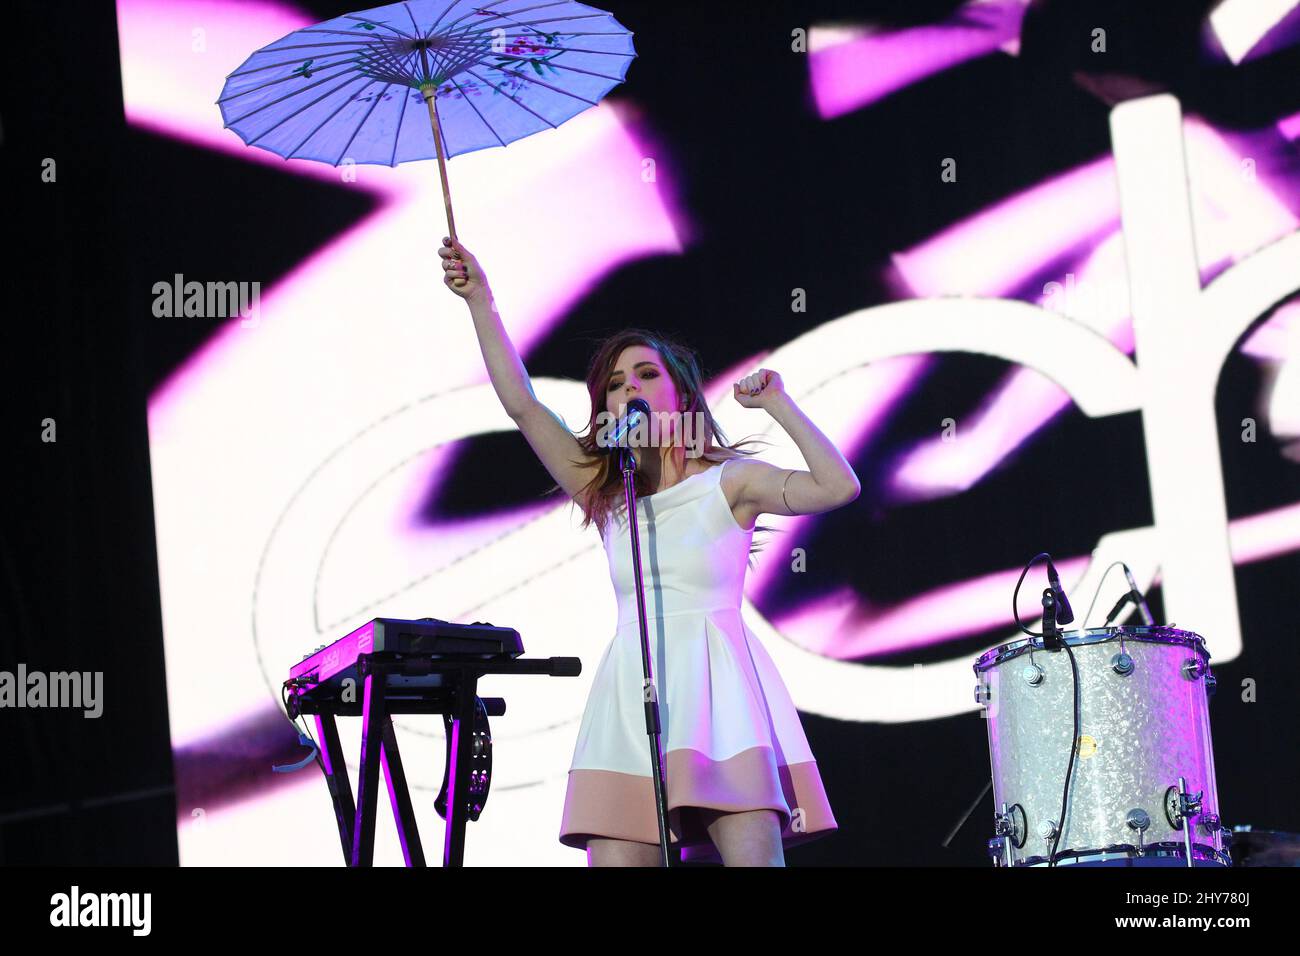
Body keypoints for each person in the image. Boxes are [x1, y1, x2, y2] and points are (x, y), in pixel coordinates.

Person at [438, 236, 859, 866]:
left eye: (645, 374)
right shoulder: (607, 490)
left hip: (721, 697)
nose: (627, 388)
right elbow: (524, 406)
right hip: (629, 697)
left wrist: (778, 403)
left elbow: (837, 486)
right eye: (613, 383)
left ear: (681, 396)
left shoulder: (729, 479)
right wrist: (482, 302)